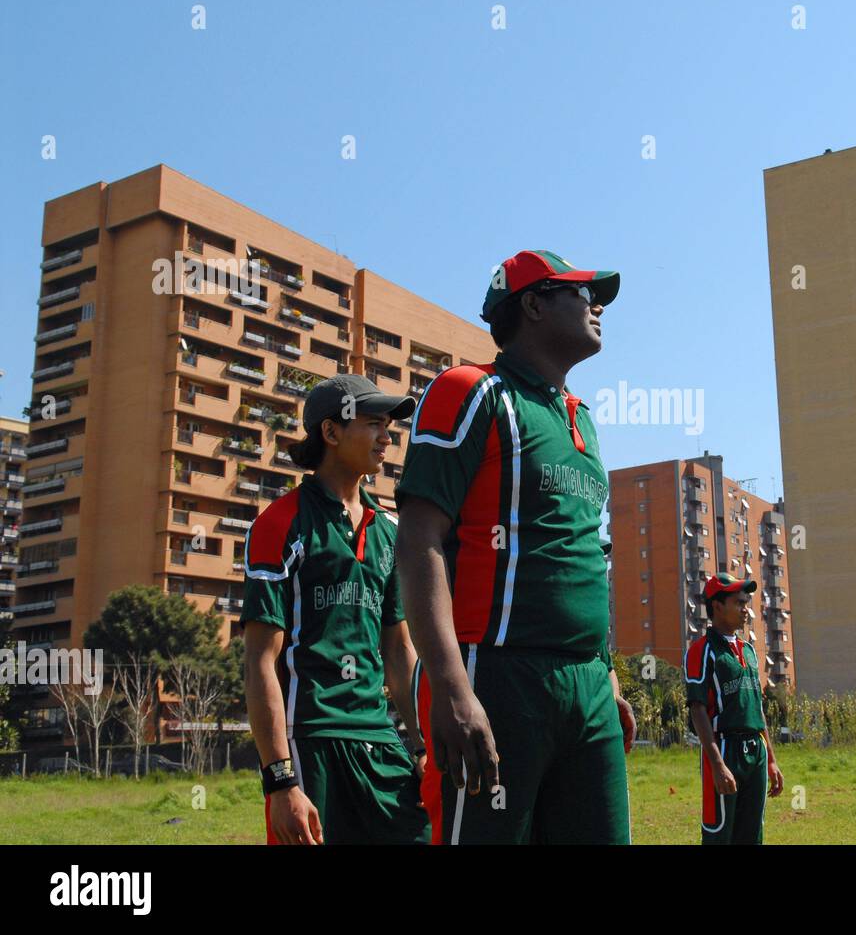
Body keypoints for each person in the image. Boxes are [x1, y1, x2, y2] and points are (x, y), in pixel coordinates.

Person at [396, 250, 636, 844]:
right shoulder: (471, 391)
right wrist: (451, 689)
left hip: (586, 684)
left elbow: (584, 556)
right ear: (532, 304)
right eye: (581, 293)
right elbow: (418, 538)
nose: (597, 305)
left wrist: (604, 676)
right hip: (496, 675)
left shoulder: (584, 419)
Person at [242, 374, 430, 844]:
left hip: (380, 739)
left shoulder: (388, 530)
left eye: (389, 425)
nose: (388, 436)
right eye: (373, 423)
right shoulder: (279, 524)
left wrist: (422, 742)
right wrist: (280, 781)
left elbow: (399, 650)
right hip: (310, 740)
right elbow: (260, 660)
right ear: (330, 432)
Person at [684, 573, 784, 844]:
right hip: (725, 749)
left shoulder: (750, 651)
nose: (746, 610)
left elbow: (757, 709)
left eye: (747, 603)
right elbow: (697, 710)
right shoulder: (701, 651)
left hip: (757, 751)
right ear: (717, 606)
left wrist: (772, 759)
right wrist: (717, 765)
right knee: (720, 834)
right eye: (739, 603)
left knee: (752, 834)